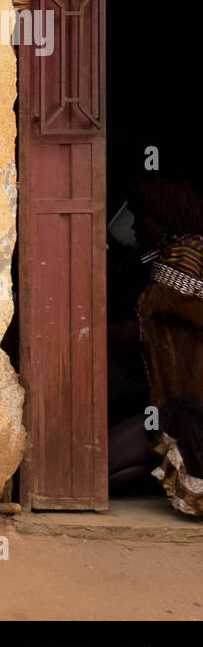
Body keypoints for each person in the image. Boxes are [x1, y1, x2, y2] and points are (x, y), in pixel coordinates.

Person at [106, 175, 203, 515]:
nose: (133, 225)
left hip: (189, 405)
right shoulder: (181, 252)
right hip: (177, 401)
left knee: (99, 468)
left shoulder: (182, 257)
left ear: (163, 215)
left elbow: (147, 327)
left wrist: (82, 332)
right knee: (108, 469)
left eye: (140, 215)